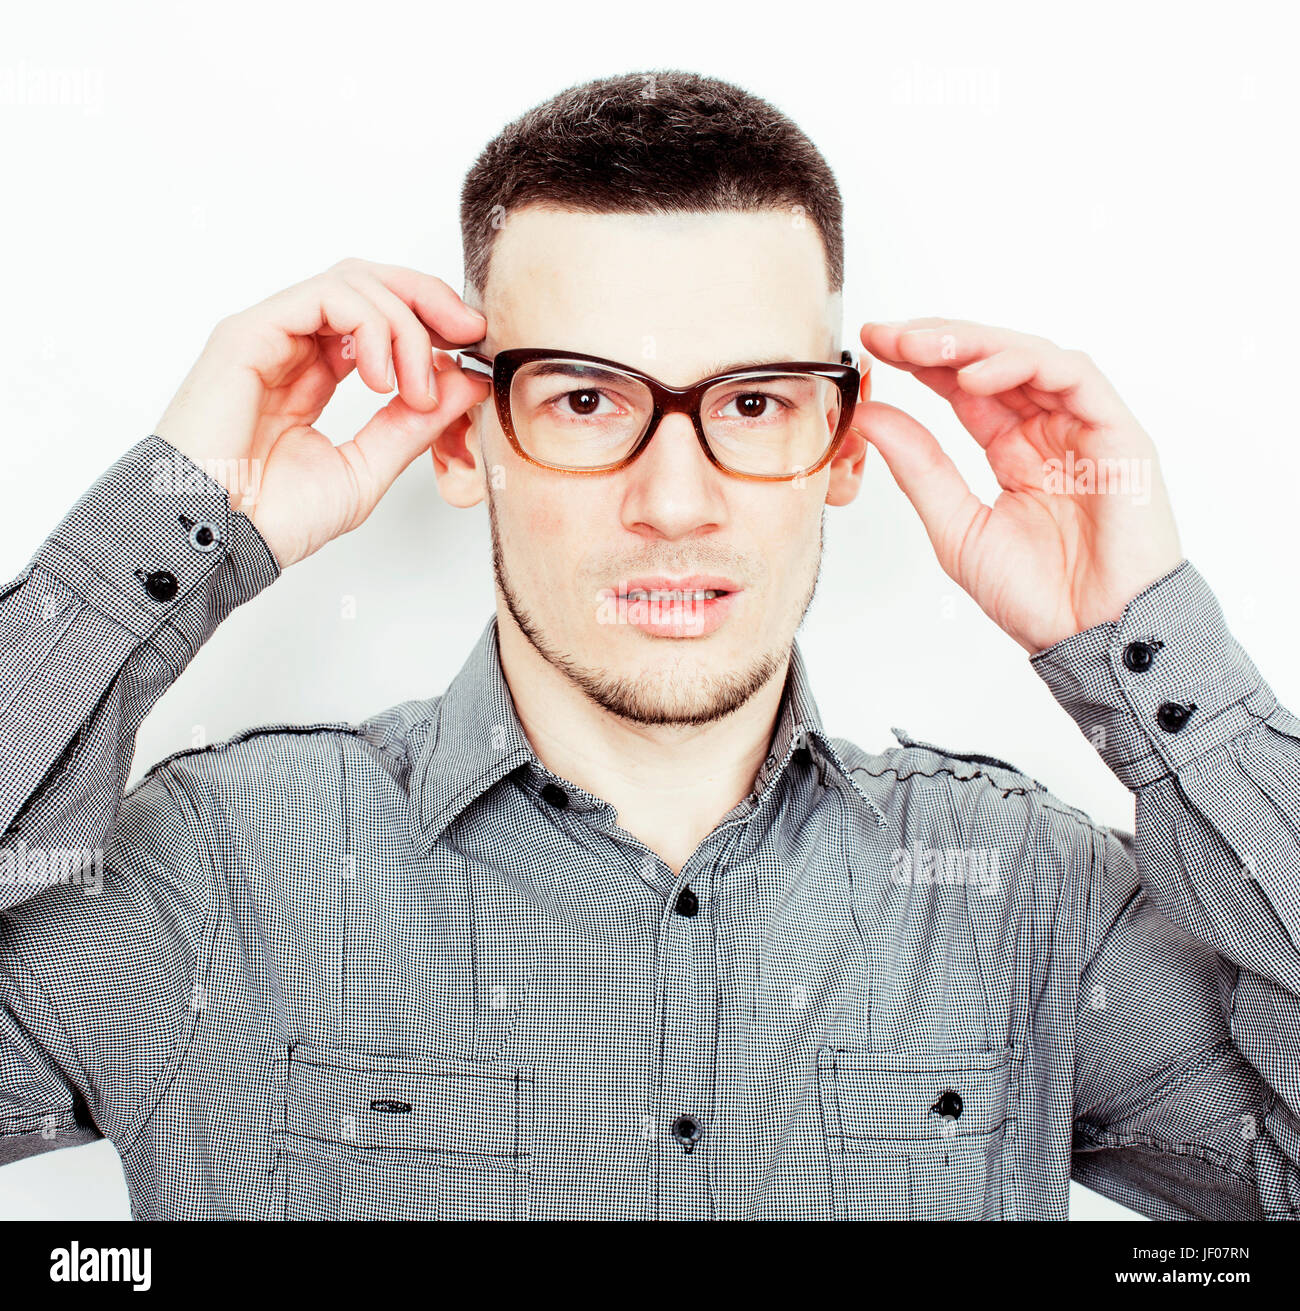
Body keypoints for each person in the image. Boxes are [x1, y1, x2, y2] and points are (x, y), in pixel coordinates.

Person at [0, 69, 1295, 1222]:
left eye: (752, 402)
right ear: (466, 439)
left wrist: (1148, 649)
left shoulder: (1033, 898)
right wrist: (164, 536)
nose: (675, 503)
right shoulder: (214, 874)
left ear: (838, 450)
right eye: (581, 397)